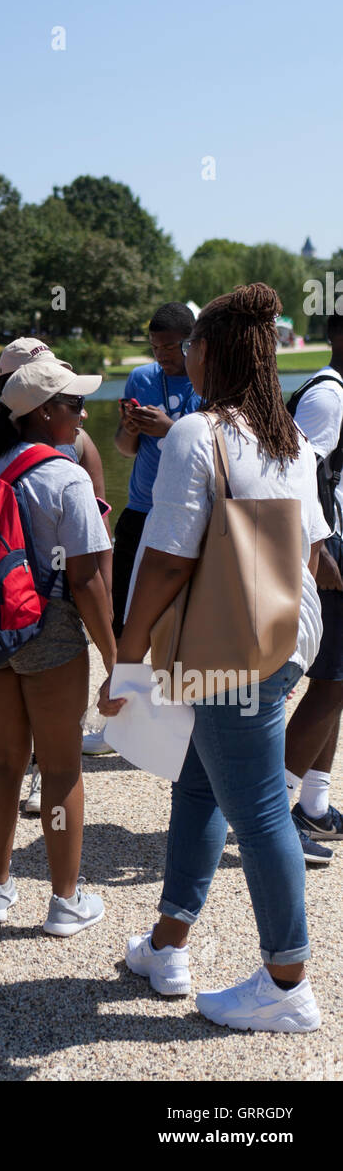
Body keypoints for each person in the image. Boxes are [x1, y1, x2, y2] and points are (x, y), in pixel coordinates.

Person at [99, 284, 327, 1032]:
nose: (183, 353)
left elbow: (164, 563)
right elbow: (317, 555)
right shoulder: (288, 437)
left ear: (214, 353)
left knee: (261, 811)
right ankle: (167, 942)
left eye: (193, 344)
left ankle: (287, 981)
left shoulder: (198, 433)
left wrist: (126, 662)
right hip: (286, 632)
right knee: (200, 786)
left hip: (231, 646)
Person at [0, 359, 116, 934]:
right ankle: (64, 901)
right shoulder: (66, 476)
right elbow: (84, 579)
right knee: (60, 767)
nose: (82, 413)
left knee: (1, 761)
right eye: (74, 404)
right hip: (50, 628)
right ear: (45, 412)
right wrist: (114, 655)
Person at [0, 339, 112, 814]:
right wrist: (111, 645)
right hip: (33, 602)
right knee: (11, 717)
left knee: (3, 728)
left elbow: (99, 535)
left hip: (0, 600)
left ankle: (3, 794)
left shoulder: (74, 442)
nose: (81, 411)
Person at [82, 303, 200, 757]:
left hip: (186, 513)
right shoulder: (143, 378)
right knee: (124, 619)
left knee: (180, 621)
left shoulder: (207, 380)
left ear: (192, 343)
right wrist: (131, 429)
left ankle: (180, 724)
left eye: (170, 347)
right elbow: (123, 449)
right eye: (155, 347)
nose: (163, 356)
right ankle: (123, 721)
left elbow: (208, 452)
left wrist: (171, 430)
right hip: (140, 510)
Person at [284, 311, 343, 862]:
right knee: (328, 683)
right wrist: (319, 555)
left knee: (336, 681)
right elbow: (303, 477)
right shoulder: (328, 395)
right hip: (329, 552)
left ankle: (315, 806)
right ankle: (273, 813)